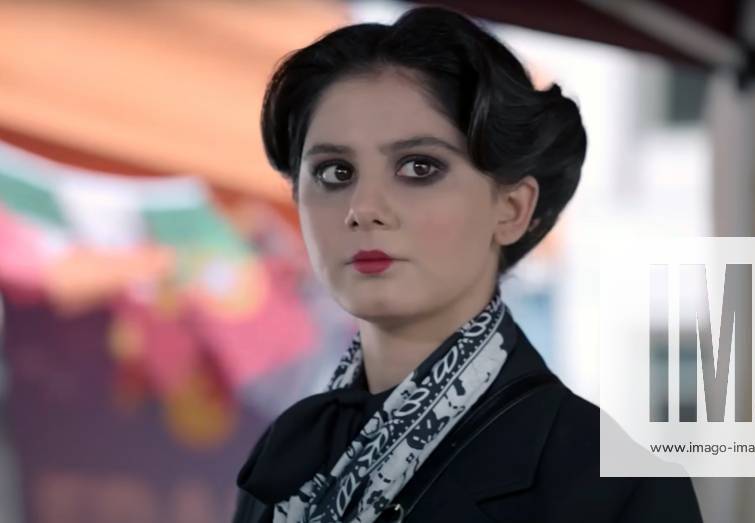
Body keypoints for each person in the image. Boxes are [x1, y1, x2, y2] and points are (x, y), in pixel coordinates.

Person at [233, 6, 702, 523]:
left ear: (512, 209)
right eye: (334, 171)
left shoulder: (612, 486)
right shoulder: (288, 454)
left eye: (419, 167)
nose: (362, 208)